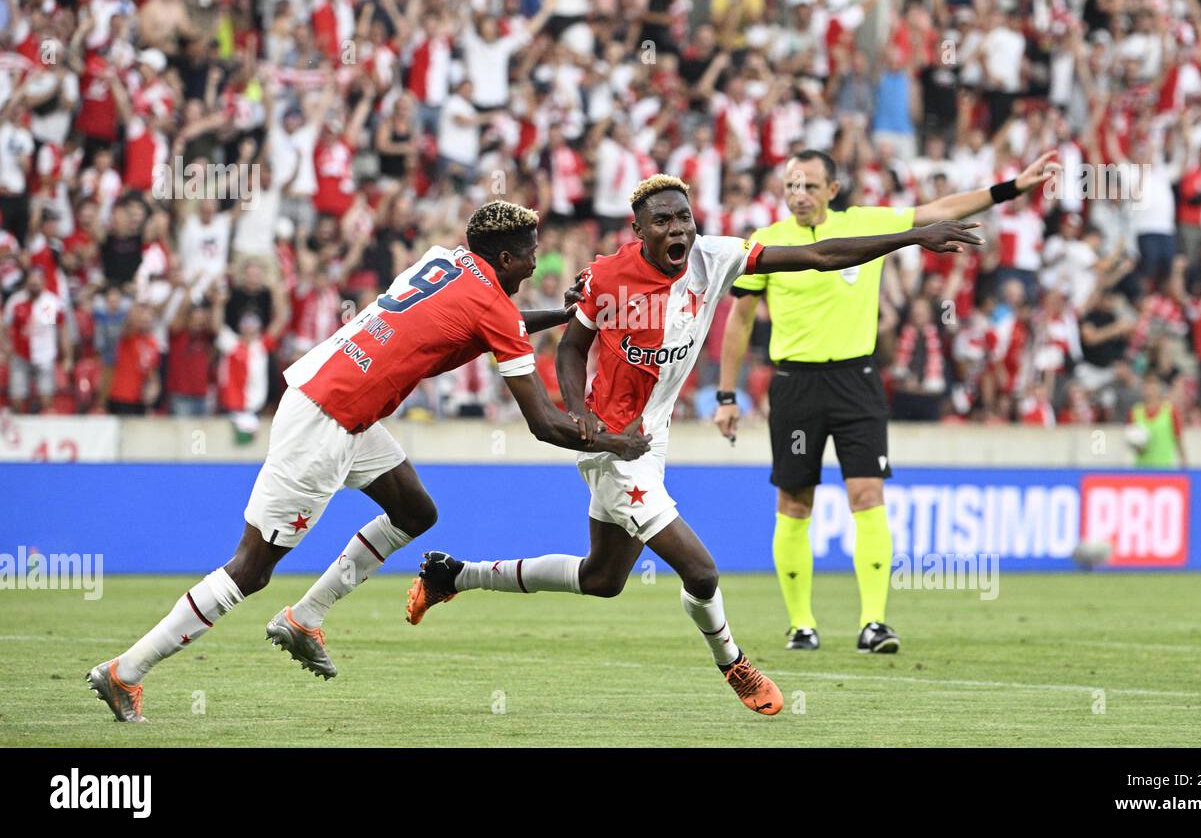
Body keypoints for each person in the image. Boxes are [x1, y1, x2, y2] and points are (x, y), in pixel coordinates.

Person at [404, 174, 982, 715]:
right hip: (612, 446)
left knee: (602, 579)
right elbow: (574, 347)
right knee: (702, 571)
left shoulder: (715, 257)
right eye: (662, 222)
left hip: (651, 441)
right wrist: (580, 416)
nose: (677, 230)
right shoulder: (608, 278)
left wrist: (910, 238)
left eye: (684, 218)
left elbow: (818, 256)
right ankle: (734, 665)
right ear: (639, 230)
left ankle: (454, 575)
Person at [87, 202, 650, 723]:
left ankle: (305, 618)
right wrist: (614, 443)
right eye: (530, 249)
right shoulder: (492, 307)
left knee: (414, 511)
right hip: (327, 422)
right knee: (251, 568)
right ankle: (125, 671)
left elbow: (489, 322)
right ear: (505, 258)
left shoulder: (447, 263)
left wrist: (561, 314)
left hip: (335, 396)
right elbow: (544, 423)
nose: (538, 257)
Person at [713, 148, 1060, 654]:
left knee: (868, 495)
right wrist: (727, 394)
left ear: (833, 190)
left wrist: (1009, 189)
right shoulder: (766, 242)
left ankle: (874, 623)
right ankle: (801, 625)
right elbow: (740, 320)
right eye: (791, 185)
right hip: (795, 384)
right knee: (793, 502)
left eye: (809, 185)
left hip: (857, 381)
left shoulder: (867, 223)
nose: (799, 195)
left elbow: (939, 211)